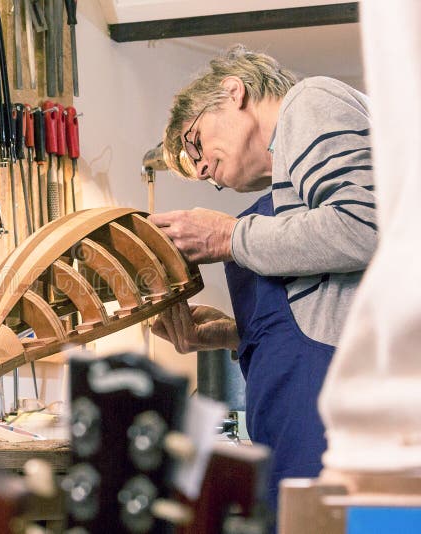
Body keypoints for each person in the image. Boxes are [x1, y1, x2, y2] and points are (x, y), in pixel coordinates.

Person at [150, 45, 376, 509]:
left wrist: (229, 237)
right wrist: (235, 334)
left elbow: (366, 225)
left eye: (195, 145)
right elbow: (331, 300)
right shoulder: (289, 188)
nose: (203, 169)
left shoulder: (310, 103)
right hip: (296, 425)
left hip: (331, 419)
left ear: (233, 93)